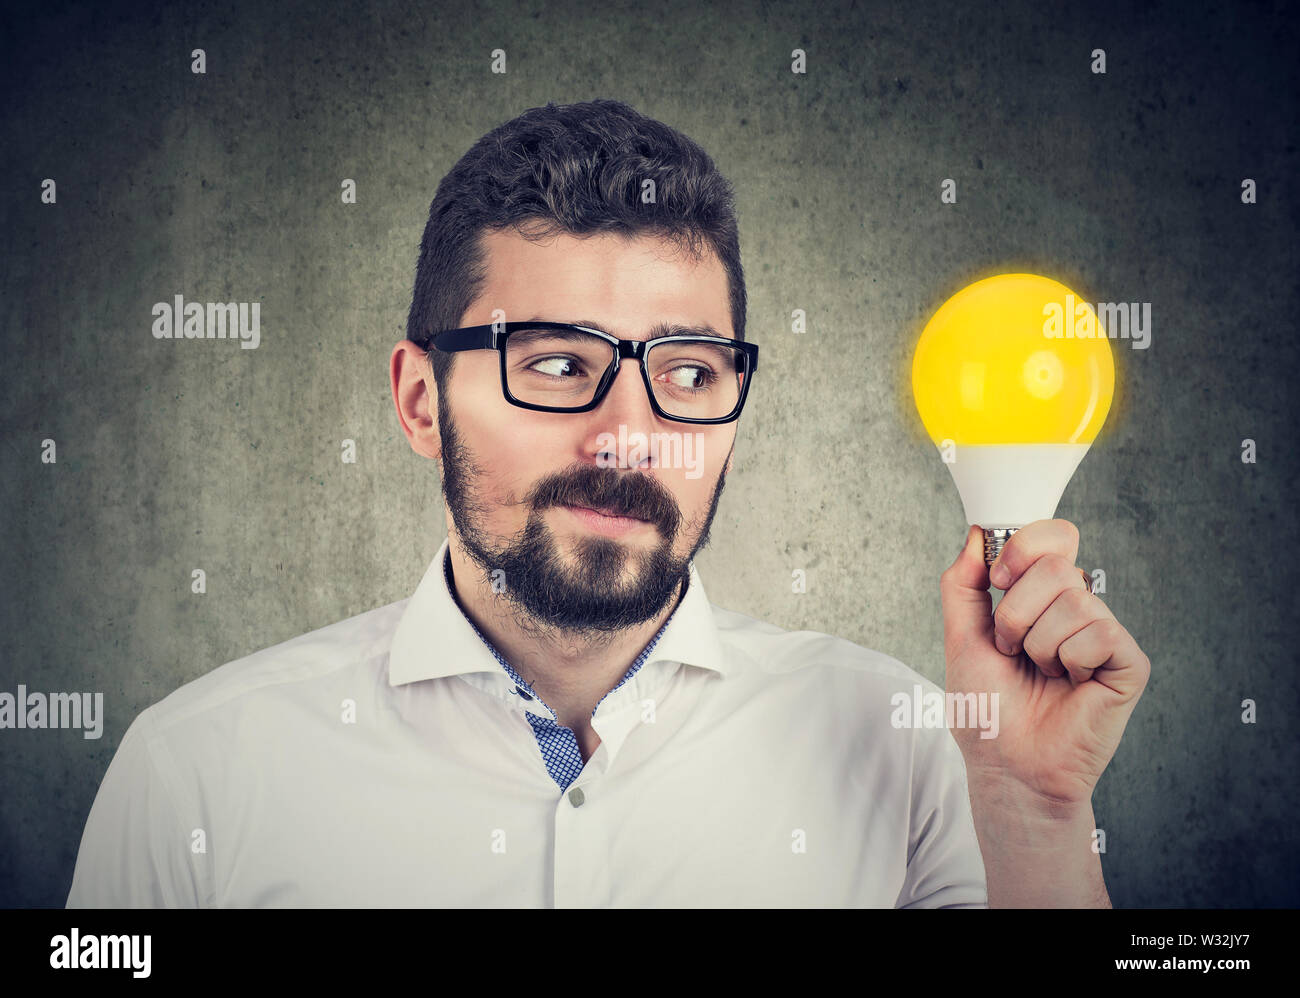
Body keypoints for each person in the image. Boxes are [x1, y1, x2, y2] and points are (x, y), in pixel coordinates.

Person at [67, 99, 1149, 908]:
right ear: (417, 399)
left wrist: (1030, 815)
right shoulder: (193, 779)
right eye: (549, 365)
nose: (628, 434)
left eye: (686, 374)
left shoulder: (916, 750)